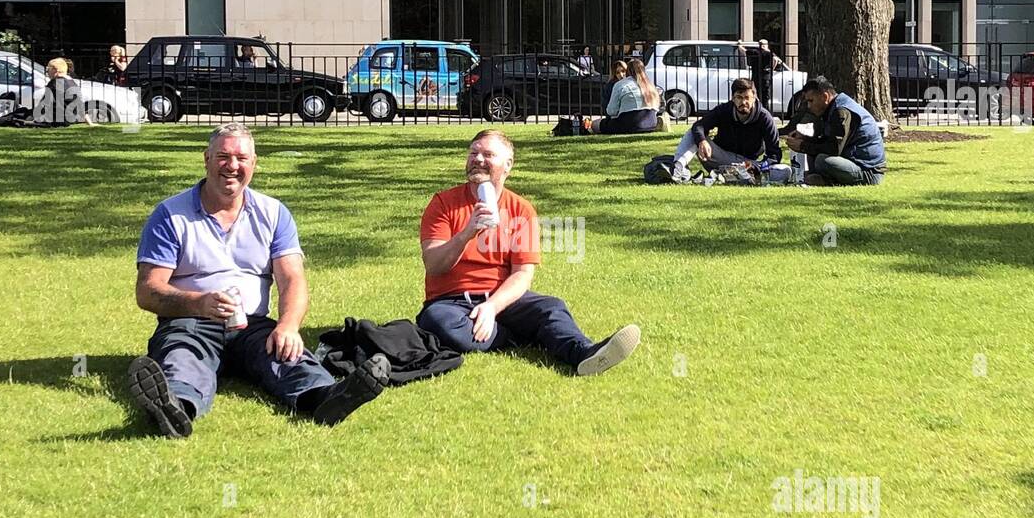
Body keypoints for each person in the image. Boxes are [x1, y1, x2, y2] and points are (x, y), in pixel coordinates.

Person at [128, 123, 390, 437]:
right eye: (223, 156)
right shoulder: (170, 215)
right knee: (184, 359)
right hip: (189, 322)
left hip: (252, 325)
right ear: (207, 159)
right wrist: (197, 302)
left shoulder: (274, 213)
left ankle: (326, 397)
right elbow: (148, 290)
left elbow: (292, 278)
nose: (232, 166)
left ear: (254, 164)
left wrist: (289, 325)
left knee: (288, 354)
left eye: (241, 158)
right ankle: (174, 408)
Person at [416, 129, 640, 376]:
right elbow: (434, 265)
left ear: (507, 165)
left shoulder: (521, 209)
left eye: (488, 154)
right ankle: (517, 335)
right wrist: (467, 232)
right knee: (438, 324)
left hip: (503, 299)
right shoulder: (443, 203)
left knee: (552, 308)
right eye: (473, 153)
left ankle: (584, 353)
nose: (477, 159)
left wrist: (492, 307)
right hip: (450, 302)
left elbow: (522, 274)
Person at [669, 78, 780, 181]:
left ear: (754, 98)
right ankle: (678, 167)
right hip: (718, 157)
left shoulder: (764, 118)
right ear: (733, 98)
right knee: (694, 133)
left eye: (747, 98)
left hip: (746, 164)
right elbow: (699, 126)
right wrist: (702, 141)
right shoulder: (724, 110)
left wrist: (757, 167)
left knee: (783, 170)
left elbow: (774, 155)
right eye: (739, 98)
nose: (743, 102)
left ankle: (687, 174)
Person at [783, 76, 887, 186]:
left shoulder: (841, 111)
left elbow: (834, 149)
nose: (809, 106)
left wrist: (803, 146)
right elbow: (826, 140)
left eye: (811, 101)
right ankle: (821, 178)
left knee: (822, 160)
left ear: (825, 96)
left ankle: (830, 181)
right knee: (816, 154)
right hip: (853, 162)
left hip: (868, 172)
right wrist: (805, 139)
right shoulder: (831, 109)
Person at [597, 58, 661, 134]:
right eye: (617, 72)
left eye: (623, 71)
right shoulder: (650, 85)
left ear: (628, 71)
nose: (621, 75)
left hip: (628, 123)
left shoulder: (620, 85)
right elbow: (657, 107)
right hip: (651, 123)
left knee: (596, 124)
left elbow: (611, 111)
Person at [33, 58, 95, 126]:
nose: (47, 72)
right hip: (69, 119)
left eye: (48, 69)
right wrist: (90, 123)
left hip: (56, 120)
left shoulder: (55, 83)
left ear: (55, 70)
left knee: (22, 114)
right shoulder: (72, 83)